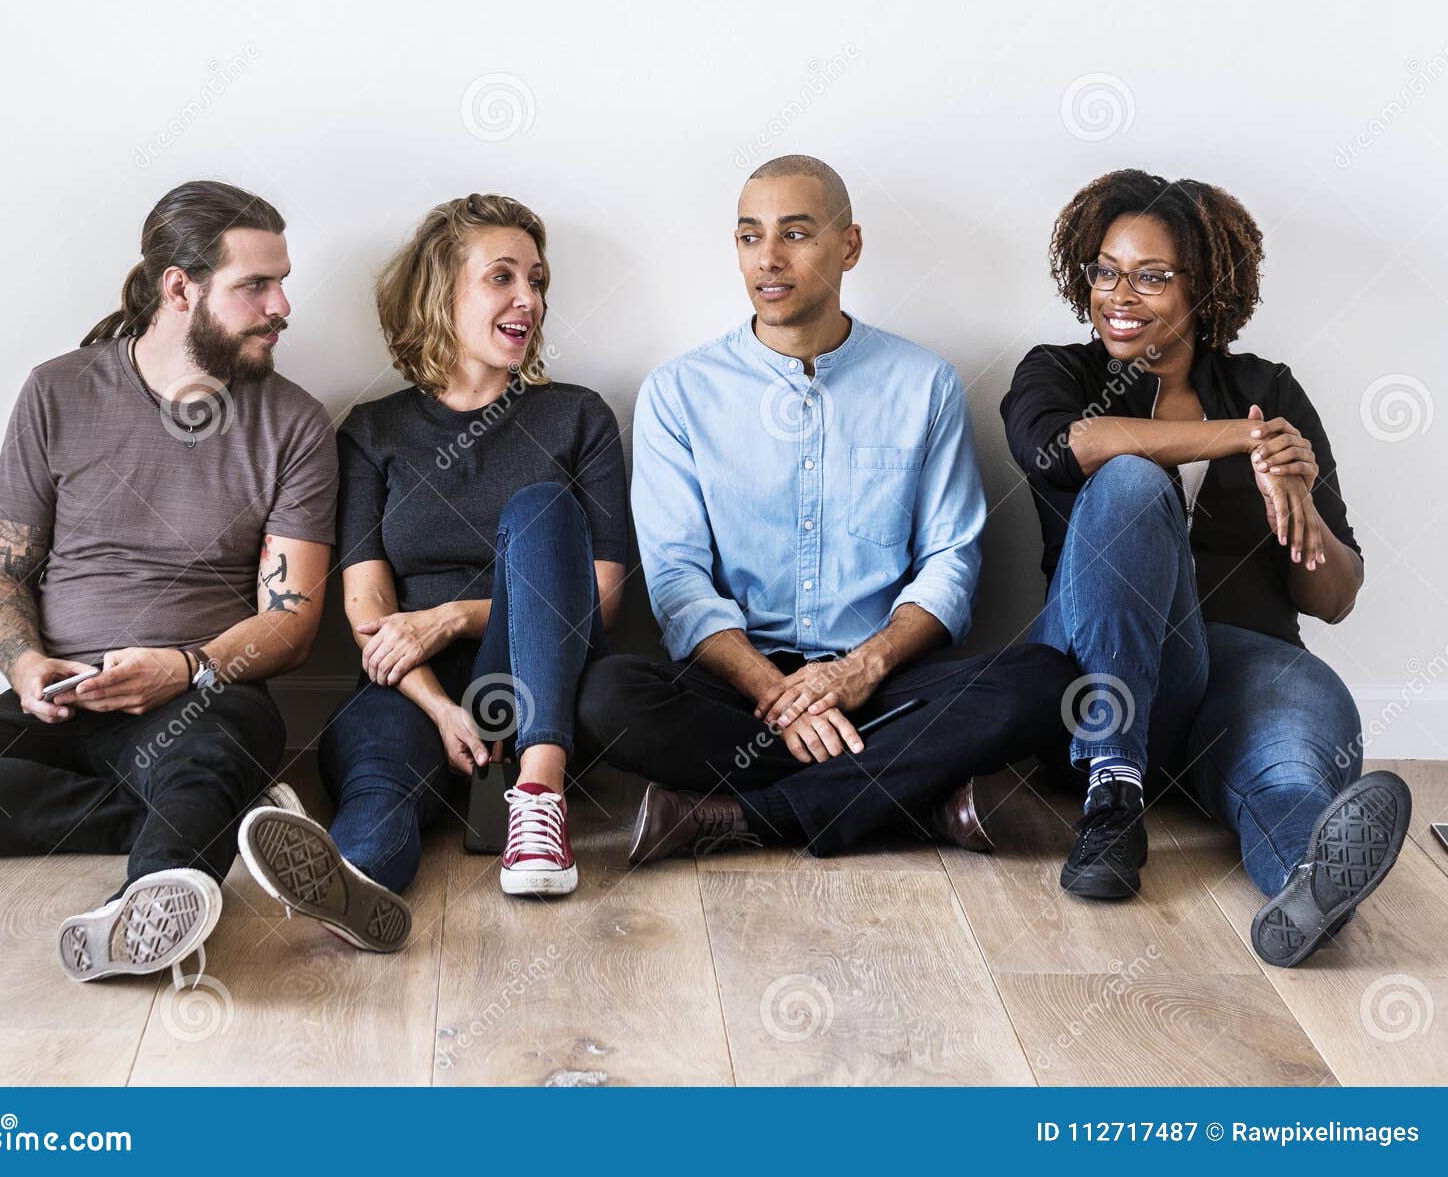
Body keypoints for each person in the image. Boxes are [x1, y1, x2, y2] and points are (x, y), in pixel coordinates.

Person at [0, 181, 337, 982]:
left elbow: (291, 620)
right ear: (180, 287)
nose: (283, 304)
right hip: (63, 699)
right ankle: (223, 816)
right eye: (257, 284)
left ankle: (148, 900)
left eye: (282, 281)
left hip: (197, 699)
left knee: (222, 741)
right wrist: (24, 666)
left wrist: (182, 667)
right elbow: (4, 572)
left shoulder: (295, 423)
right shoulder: (57, 390)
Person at [575, 156, 1076, 864]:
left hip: (886, 681)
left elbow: (950, 565)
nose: (768, 259)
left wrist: (859, 670)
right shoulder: (678, 393)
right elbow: (678, 580)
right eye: (749, 237)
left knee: (1041, 681)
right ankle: (916, 796)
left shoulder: (924, 384)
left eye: (796, 234)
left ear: (850, 245)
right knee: (608, 694)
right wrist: (777, 691)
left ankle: (747, 813)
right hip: (741, 690)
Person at [1001, 168, 1411, 967]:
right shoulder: (1060, 374)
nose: (1120, 295)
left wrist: (1299, 505)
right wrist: (1241, 438)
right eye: (1105, 270)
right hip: (1091, 680)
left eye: (1152, 276)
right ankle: (1114, 792)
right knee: (1125, 479)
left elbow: (1334, 599)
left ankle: (1307, 885)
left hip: (1240, 669)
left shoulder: (1268, 389)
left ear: (1205, 288)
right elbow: (1065, 447)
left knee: (1291, 779)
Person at [236, 194, 627, 948]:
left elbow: (603, 596)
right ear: (440, 293)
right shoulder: (375, 431)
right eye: (503, 277)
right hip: (411, 683)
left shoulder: (578, 418)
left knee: (543, 510)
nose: (530, 300)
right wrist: (440, 706)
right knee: (379, 788)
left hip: (537, 685)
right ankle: (354, 887)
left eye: (538, 280)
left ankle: (535, 798)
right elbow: (367, 603)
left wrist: (449, 616)